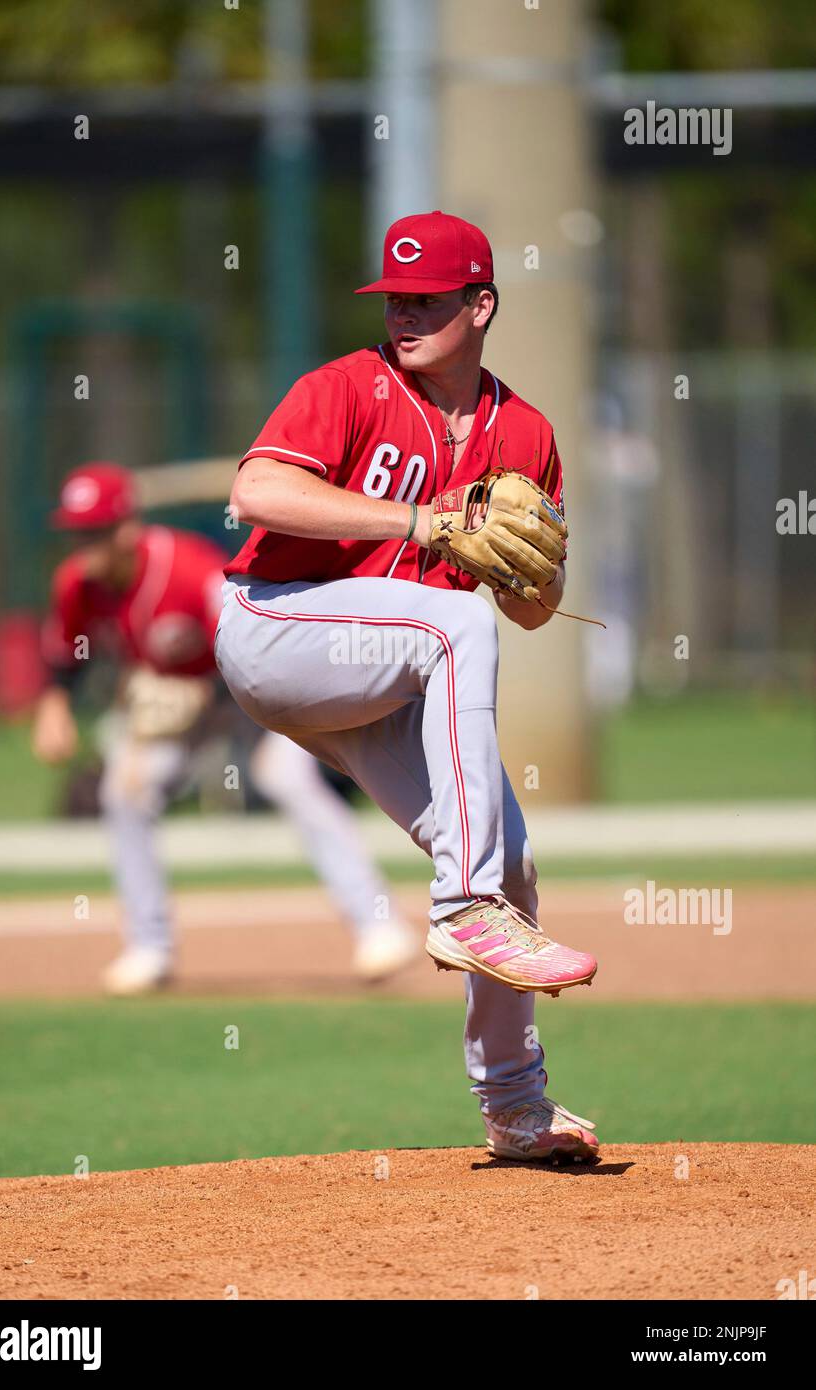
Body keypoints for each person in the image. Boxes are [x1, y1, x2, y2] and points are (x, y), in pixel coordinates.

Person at [214, 211, 600, 1163]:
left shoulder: (527, 432)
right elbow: (256, 493)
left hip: (389, 675)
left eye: (426, 297)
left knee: (509, 860)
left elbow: (531, 615)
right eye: (393, 296)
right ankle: (459, 906)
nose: (403, 313)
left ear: (481, 304)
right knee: (451, 619)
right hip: (277, 627)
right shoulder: (348, 387)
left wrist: (538, 575)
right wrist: (422, 521)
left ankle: (516, 1109)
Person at [31, 462, 418, 995]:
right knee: (124, 789)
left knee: (285, 778)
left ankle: (379, 927)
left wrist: (210, 695)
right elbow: (62, 653)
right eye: (78, 532)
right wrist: (54, 707)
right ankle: (148, 948)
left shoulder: (187, 569)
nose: (85, 544)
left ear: (127, 526)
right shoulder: (78, 582)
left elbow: (252, 635)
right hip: (177, 710)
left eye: (96, 530)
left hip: (252, 689)